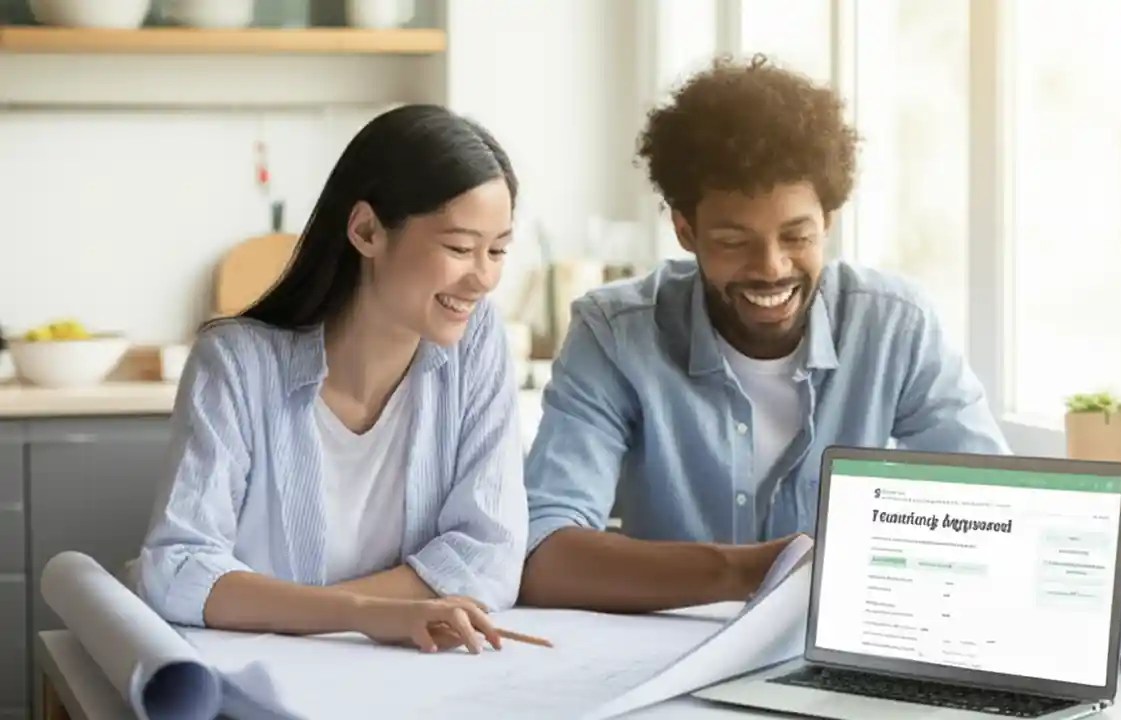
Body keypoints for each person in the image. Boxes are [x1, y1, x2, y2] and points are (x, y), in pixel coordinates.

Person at [520, 55, 1008, 613]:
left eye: (796, 236)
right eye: (733, 241)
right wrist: (758, 569)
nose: (772, 268)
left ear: (827, 220)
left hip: (842, 650)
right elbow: (542, 554)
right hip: (668, 661)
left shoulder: (895, 325)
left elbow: (998, 511)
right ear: (686, 229)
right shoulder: (614, 335)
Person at [134, 104, 526, 655]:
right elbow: (177, 569)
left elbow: (491, 555)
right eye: (460, 248)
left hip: (416, 678)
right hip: (261, 680)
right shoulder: (236, 364)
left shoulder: (476, 342)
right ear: (367, 230)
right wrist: (364, 616)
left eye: (499, 250)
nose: (483, 277)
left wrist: (304, 614)